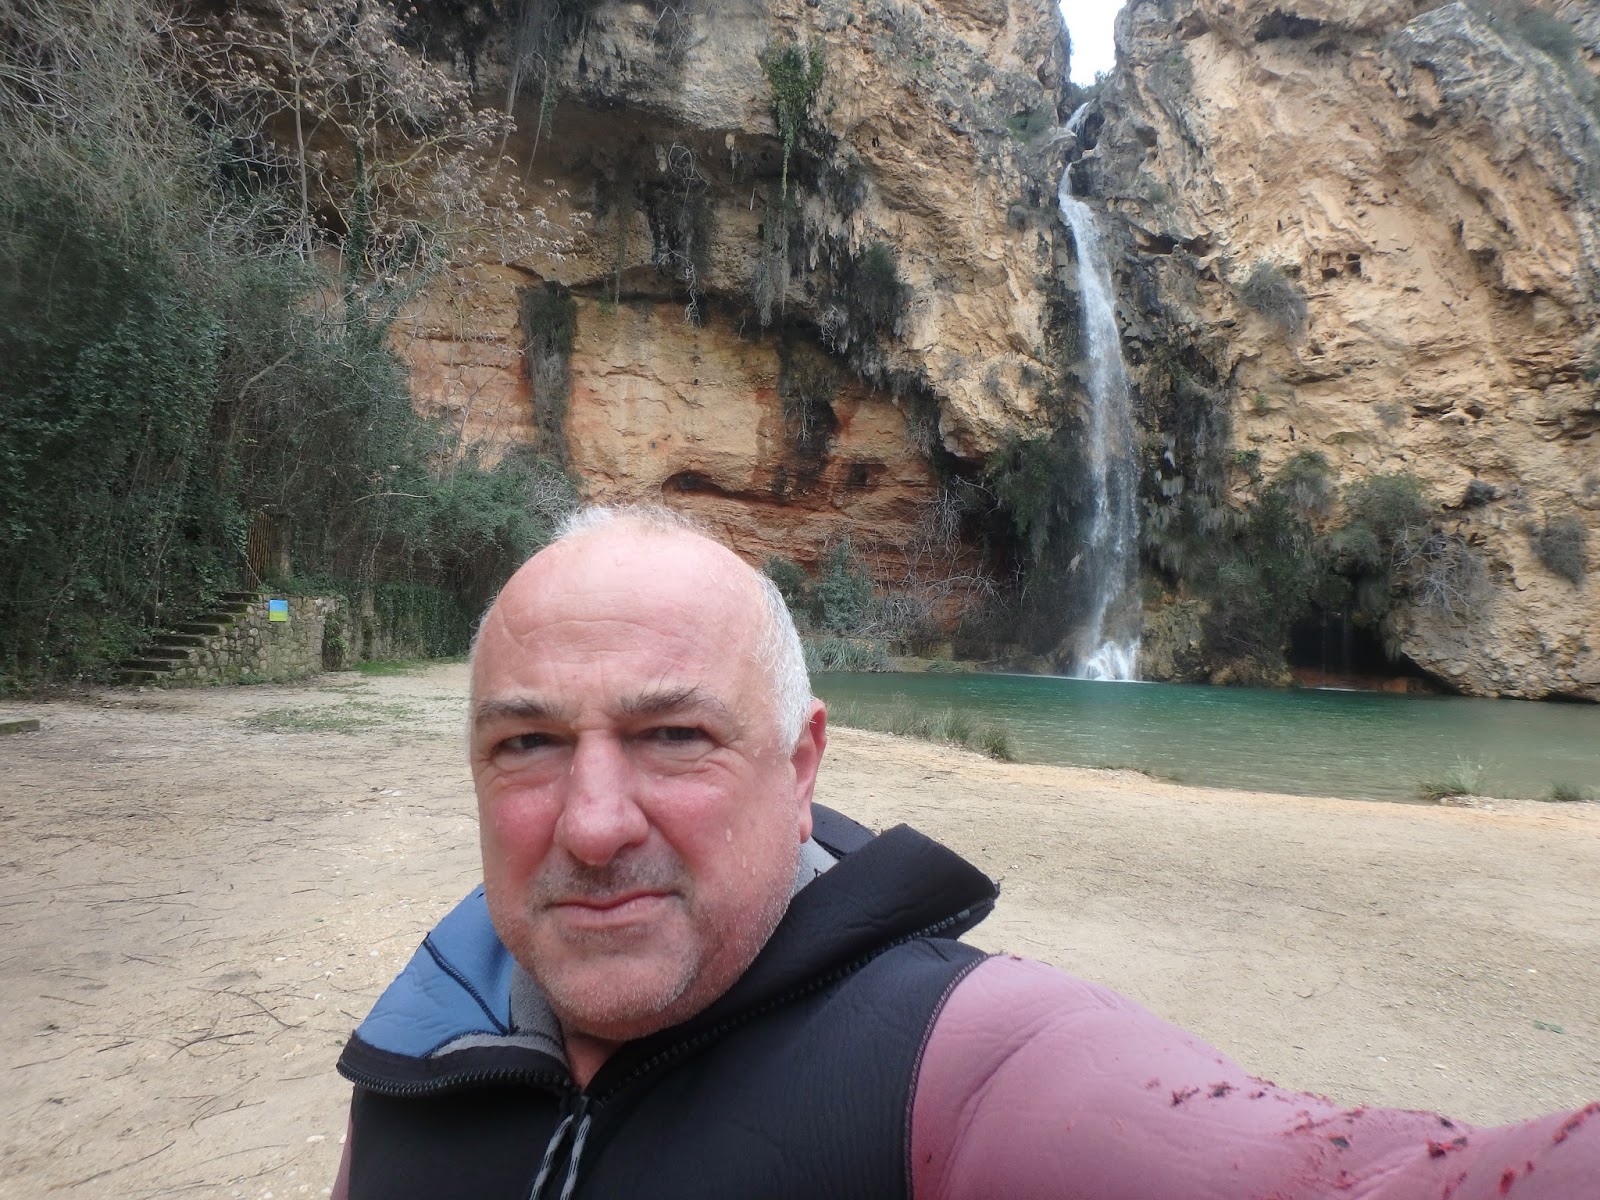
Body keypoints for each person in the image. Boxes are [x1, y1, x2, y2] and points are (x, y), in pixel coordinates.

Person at [332, 505, 1598, 1199]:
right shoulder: (431, 1030)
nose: (593, 823)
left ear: (803, 762)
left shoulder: (955, 1058)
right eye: (528, 745)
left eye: (674, 736)